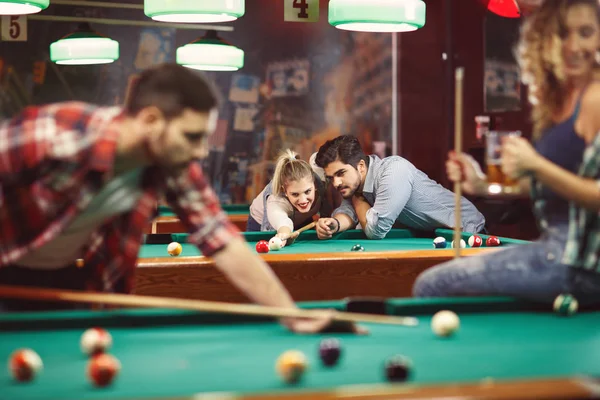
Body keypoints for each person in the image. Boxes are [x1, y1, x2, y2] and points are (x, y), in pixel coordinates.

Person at [0, 63, 363, 334]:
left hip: (70, 281)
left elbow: (223, 241)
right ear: (151, 121)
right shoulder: (54, 135)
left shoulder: (171, 163)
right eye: (192, 136)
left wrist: (292, 314)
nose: (200, 151)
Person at [412, 0, 600, 305]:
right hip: (558, 254)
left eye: (586, 33)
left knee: (432, 284)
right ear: (546, 39)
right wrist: (484, 184)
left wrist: (537, 164)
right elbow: (556, 188)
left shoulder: (595, 97)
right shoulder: (562, 101)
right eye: (563, 34)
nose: (574, 45)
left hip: (580, 265)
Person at [313, 135, 486, 240]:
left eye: (340, 173)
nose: (335, 183)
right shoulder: (354, 184)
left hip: (468, 231)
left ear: (360, 166)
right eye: (331, 178)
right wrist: (333, 224)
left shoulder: (394, 170)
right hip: (436, 236)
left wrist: (357, 199)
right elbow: (347, 211)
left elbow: (376, 230)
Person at [247, 150, 340, 245]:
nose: (303, 200)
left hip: (301, 218)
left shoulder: (321, 184)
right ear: (285, 191)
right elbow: (282, 221)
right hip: (261, 222)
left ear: (314, 185)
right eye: (295, 194)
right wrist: (284, 234)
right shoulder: (276, 200)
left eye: (307, 191)